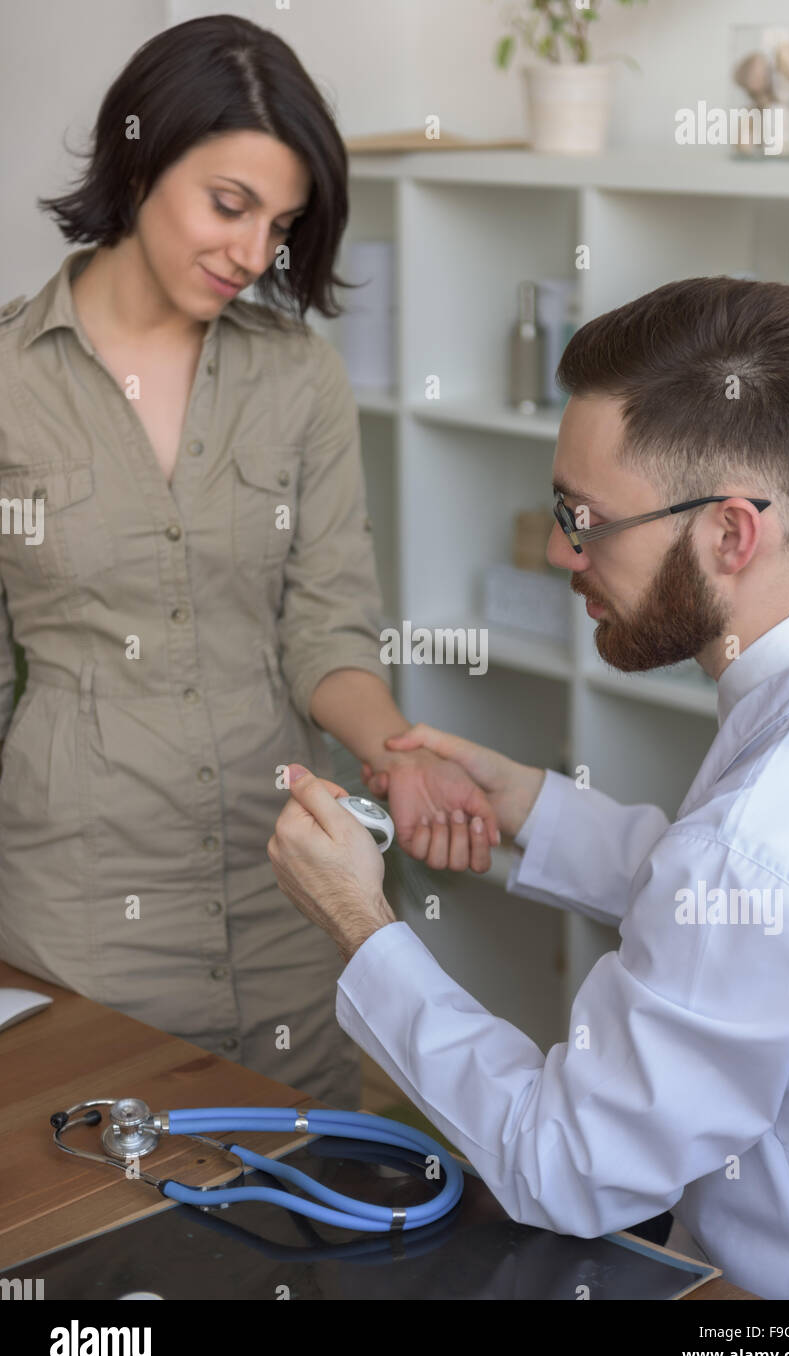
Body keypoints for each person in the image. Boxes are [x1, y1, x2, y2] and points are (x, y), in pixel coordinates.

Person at [266, 276, 789, 1300]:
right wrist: (524, 801)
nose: (557, 551)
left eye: (586, 520)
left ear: (731, 534)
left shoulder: (757, 847)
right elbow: (734, 924)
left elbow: (562, 1166)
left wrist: (361, 924)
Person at [0, 14, 497, 1111]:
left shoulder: (298, 378)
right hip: (77, 908)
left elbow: (327, 621)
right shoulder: (9, 384)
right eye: (229, 205)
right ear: (139, 160)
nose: (253, 252)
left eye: (281, 223)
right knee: (93, 1191)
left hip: (288, 887)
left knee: (303, 1175)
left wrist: (396, 756)